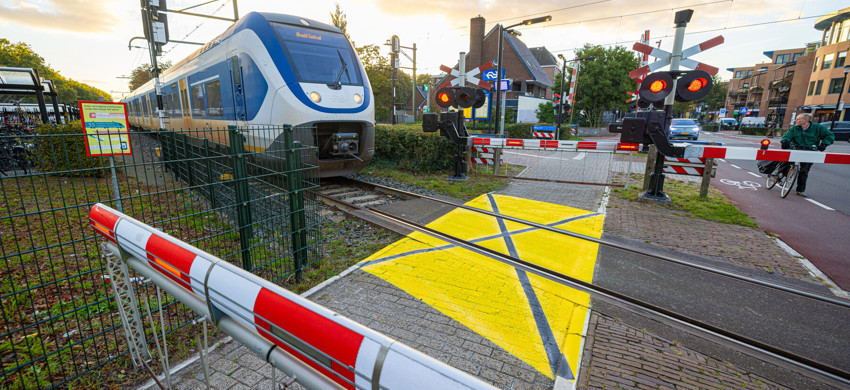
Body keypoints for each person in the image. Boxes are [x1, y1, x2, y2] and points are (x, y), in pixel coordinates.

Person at [780, 113, 834, 196]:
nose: (795, 121)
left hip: (809, 152)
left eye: (798, 119)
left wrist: (824, 144)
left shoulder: (818, 128)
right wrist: (785, 141)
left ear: (805, 120)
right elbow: (787, 136)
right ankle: (779, 176)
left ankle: (800, 190)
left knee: (804, 170)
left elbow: (829, 135)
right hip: (795, 150)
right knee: (785, 164)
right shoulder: (794, 128)